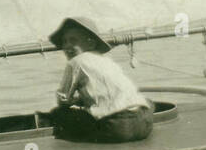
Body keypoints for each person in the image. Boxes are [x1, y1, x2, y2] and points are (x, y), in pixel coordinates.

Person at [47, 15, 153, 143]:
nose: (67, 46)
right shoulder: (106, 60)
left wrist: (73, 102)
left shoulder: (76, 62)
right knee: (141, 100)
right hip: (144, 123)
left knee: (60, 113)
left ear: (90, 43)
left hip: (116, 128)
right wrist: (82, 99)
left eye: (73, 40)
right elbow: (105, 91)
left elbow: (63, 99)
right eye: (64, 42)